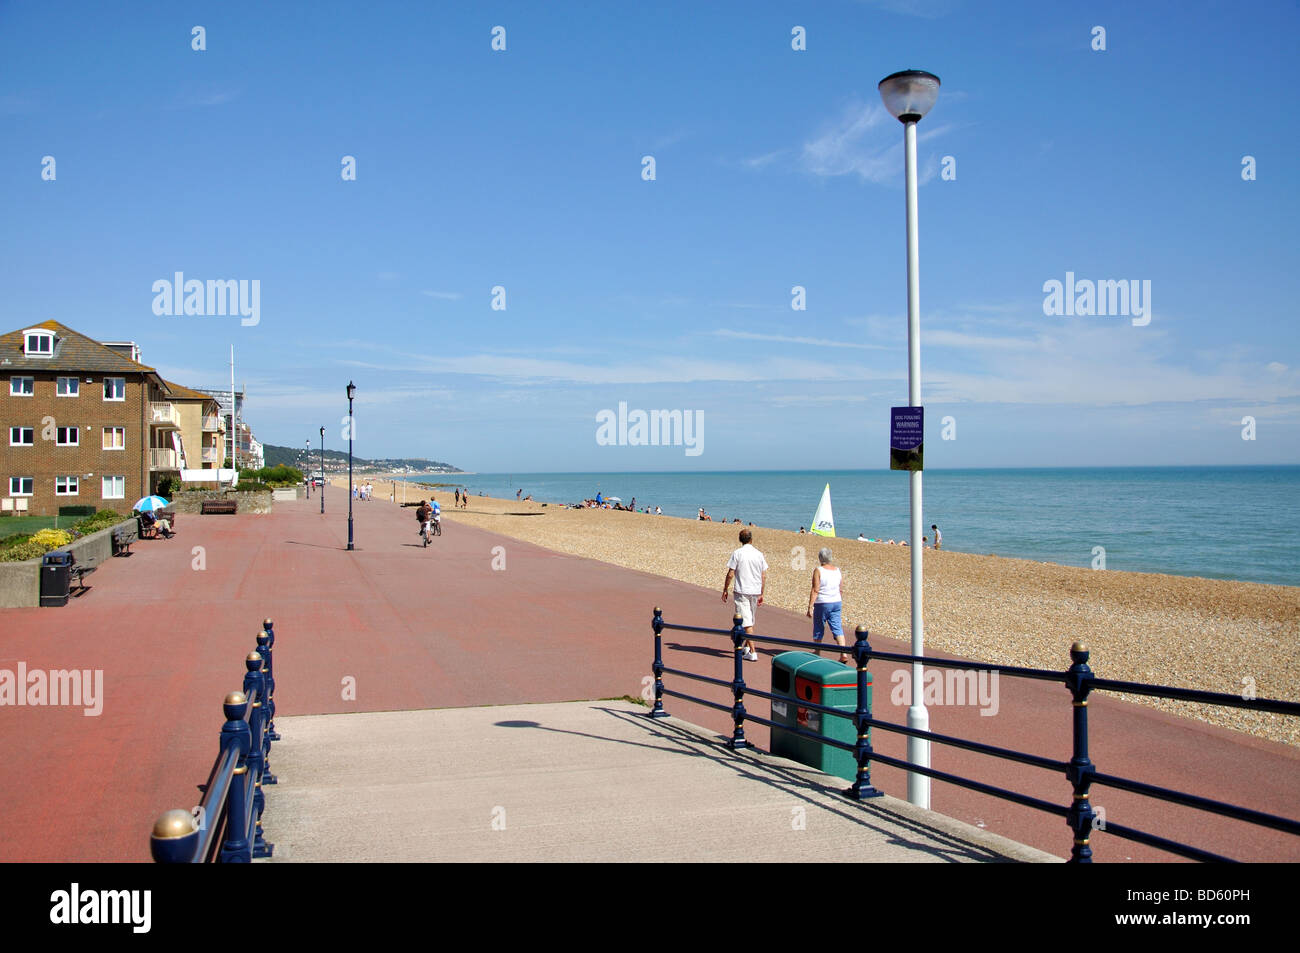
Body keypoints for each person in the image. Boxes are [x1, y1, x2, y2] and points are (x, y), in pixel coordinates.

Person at [721, 529, 767, 662]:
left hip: (742, 591)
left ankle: (753, 652)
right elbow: (763, 575)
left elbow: (731, 573)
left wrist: (725, 589)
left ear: (740, 540)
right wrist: (762, 592)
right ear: (751, 539)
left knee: (746, 622)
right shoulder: (759, 554)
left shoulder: (738, 553)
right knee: (750, 620)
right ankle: (746, 647)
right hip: (755, 590)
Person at [807, 548, 848, 664]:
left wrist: (810, 606)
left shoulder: (818, 570)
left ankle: (817, 651)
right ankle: (843, 653)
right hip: (836, 601)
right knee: (837, 627)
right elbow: (841, 588)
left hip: (823, 602)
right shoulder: (837, 570)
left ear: (820, 558)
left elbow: (815, 589)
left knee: (819, 626)